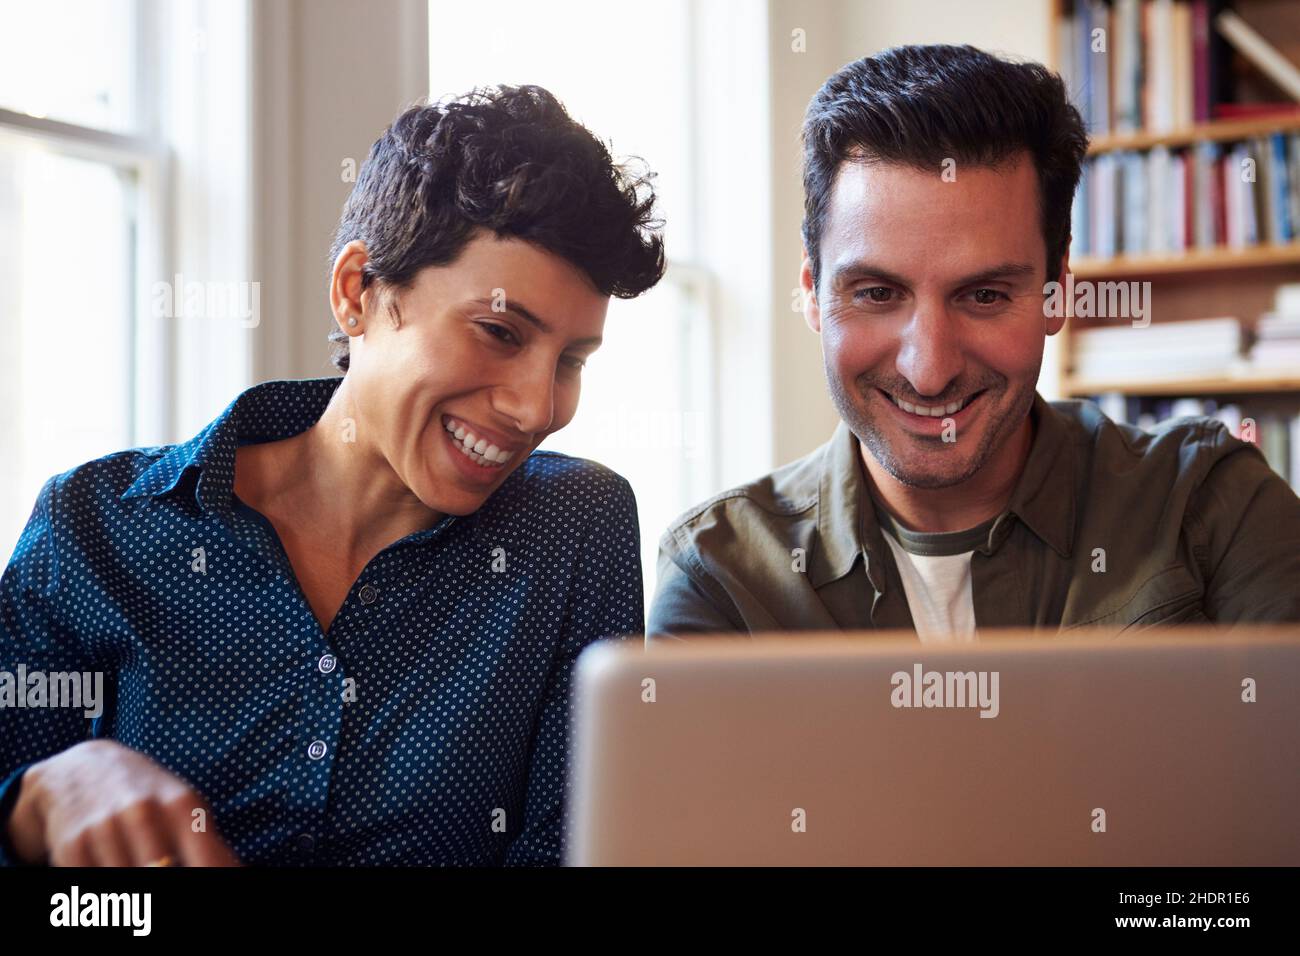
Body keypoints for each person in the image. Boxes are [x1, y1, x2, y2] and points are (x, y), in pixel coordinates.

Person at [0, 85, 663, 865]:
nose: (536, 406)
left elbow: (575, 851)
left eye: (572, 361)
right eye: (499, 332)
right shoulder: (93, 526)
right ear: (360, 293)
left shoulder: (575, 528)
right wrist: (39, 796)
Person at [647, 44, 1300, 640]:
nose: (929, 371)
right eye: (876, 294)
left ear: (1056, 288)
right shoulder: (719, 576)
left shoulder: (1211, 507)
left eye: (984, 296)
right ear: (813, 291)